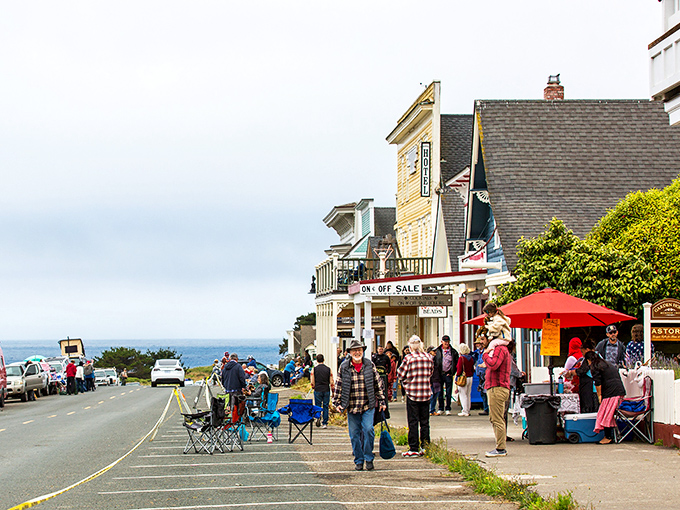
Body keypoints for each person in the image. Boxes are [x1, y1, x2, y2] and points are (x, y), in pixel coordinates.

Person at [332, 339, 386, 471]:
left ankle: (368, 458)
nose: (357, 352)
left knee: (368, 430)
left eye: (360, 350)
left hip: (368, 405)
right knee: (354, 435)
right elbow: (339, 384)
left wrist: (382, 400)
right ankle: (359, 460)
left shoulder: (369, 364)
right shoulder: (344, 367)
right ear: (350, 353)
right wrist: (336, 402)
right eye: (354, 350)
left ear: (363, 351)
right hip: (351, 406)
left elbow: (378, 383)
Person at [398, 335, 434, 457]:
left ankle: (414, 447)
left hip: (413, 393)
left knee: (413, 421)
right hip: (426, 392)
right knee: (425, 421)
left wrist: (406, 381)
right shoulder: (429, 357)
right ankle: (425, 446)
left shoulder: (409, 358)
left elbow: (400, 374)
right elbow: (431, 372)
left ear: (410, 346)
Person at [480, 332, 511, 457]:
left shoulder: (499, 349)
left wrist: (485, 355)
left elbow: (494, 364)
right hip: (497, 387)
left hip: (497, 388)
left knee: (497, 419)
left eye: (484, 339)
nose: (482, 341)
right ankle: (500, 447)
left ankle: (501, 448)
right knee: (496, 418)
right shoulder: (502, 349)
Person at [585, 350, 626, 444]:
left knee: (605, 413)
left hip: (611, 393)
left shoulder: (595, 366)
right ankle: (610, 436)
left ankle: (608, 437)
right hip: (619, 390)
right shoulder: (606, 363)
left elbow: (598, 382)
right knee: (609, 413)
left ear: (589, 360)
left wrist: (599, 395)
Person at [433, 335, 458, 415]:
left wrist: (452, 372)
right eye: (445, 341)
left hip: (448, 374)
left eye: (447, 341)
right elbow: (435, 362)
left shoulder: (453, 352)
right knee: (439, 392)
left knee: (448, 392)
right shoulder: (438, 351)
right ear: (442, 342)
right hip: (439, 374)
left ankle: (448, 408)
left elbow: (456, 363)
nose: (446, 343)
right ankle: (441, 408)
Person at [311, 353, 334, 428]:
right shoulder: (328, 369)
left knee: (318, 405)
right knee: (325, 406)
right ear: (323, 360)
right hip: (326, 389)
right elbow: (331, 381)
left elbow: (312, 380)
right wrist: (333, 390)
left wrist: (313, 386)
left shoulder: (314, 369)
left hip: (318, 389)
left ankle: (318, 417)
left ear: (317, 360)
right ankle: (325, 422)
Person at [456, 344, 475, 417]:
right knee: (468, 394)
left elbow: (459, 369)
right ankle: (468, 409)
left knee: (463, 394)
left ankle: (464, 410)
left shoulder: (461, 358)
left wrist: (457, 377)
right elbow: (472, 369)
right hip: (470, 377)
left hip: (463, 377)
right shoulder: (471, 358)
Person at [472, 333, 489, 415]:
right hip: (480, 374)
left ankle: (487, 408)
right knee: (482, 392)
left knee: (486, 392)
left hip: (485, 374)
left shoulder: (486, 352)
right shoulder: (478, 353)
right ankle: (485, 408)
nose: (478, 345)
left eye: (479, 343)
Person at [426, 346, 441, 415]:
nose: (435, 352)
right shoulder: (428, 360)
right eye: (433, 351)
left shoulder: (436, 359)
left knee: (435, 395)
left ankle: (432, 409)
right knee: (431, 396)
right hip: (431, 380)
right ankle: (429, 410)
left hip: (437, 379)